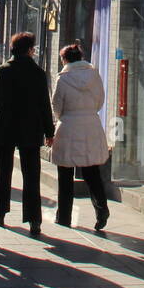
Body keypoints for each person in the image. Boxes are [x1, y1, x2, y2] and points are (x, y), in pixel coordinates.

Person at [0, 31, 54, 235]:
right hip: (31, 128)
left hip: (6, 126)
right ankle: (34, 220)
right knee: (31, 175)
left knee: (3, 171)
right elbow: (45, 105)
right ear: (29, 50)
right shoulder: (38, 73)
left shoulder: (3, 70)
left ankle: (0, 214)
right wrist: (49, 131)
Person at [49, 42, 110, 232]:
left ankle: (64, 216)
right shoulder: (94, 75)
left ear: (65, 59)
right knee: (92, 172)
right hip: (91, 125)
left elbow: (57, 105)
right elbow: (100, 100)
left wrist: (60, 119)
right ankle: (101, 210)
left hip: (69, 126)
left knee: (65, 174)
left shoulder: (63, 78)